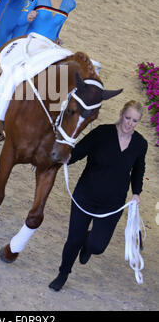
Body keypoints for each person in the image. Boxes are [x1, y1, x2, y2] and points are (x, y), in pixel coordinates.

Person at [49, 100, 148, 292]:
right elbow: (79, 151)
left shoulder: (140, 144)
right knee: (73, 241)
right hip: (85, 196)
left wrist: (136, 193)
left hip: (113, 204)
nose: (129, 123)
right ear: (121, 114)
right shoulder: (102, 133)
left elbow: (138, 170)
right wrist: (67, 158)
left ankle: (88, 244)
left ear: (138, 122)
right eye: (127, 118)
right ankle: (63, 274)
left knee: (97, 246)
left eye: (134, 120)